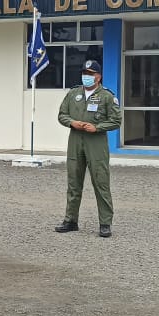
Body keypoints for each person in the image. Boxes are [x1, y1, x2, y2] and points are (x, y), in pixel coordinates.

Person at [55, 60, 122, 238]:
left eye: (91, 74)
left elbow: (116, 120)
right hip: (76, 141)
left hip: (96, 143)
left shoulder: (107, 96)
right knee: (73, 183)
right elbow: (62, 115)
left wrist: (97, 127)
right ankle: (71, 220)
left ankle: (105, 223)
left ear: (98, 77)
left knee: (101, 183)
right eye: (85, 73)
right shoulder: (73, 94)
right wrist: (72, 122)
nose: (87, 76)